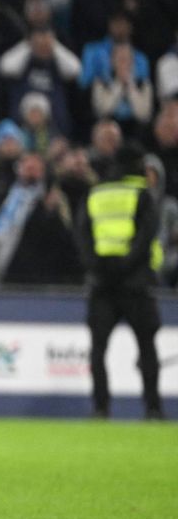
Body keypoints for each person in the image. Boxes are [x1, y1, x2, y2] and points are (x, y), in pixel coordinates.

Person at [77, 145, 163, 420]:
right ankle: (152, 408)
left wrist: (97, 266)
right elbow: (146, 236)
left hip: (101, 282)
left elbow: (82, 236)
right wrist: (126, 265)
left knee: (98, 349)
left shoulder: (95, 193)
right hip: (135, 282)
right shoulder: (142, 195)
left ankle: (100, 407)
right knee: (146, 346)